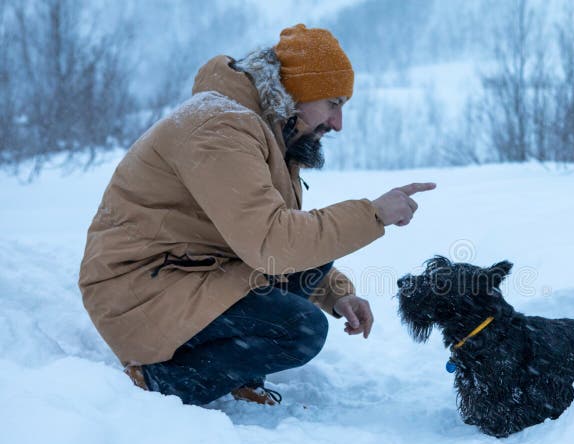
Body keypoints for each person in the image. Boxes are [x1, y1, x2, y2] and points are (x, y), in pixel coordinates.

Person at [78, 24, 435, 406]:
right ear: (298, 93)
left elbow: (284, 243)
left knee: (316, 250)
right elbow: (274, 243)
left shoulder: (264, 129)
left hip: (190, 271)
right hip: (140, 291)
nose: (337, 123)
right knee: (299, 329)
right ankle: (157, 381)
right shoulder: (220, 127)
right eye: (333, 103)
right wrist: (374, 214)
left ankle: (236, 374)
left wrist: (336, 294)